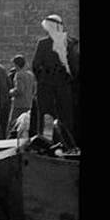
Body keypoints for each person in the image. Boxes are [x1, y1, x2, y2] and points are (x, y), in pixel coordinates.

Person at [32, 14, 79, 144]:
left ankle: (48, 144)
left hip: (47, 88)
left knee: (47, 118)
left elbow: (36, 66)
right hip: (64, 87)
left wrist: (44, 80)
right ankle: (68, 143)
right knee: (66, 118)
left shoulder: (43, 44)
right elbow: (75, 68)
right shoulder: (71, 43)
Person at [8, 54, 36, 132]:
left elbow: (19, 90)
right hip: (28, 103)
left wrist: (10, 92)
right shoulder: (30, 75)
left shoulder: (19, 74)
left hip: (19, 105)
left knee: (13, 124)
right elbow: (34, 89)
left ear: (16, 64)